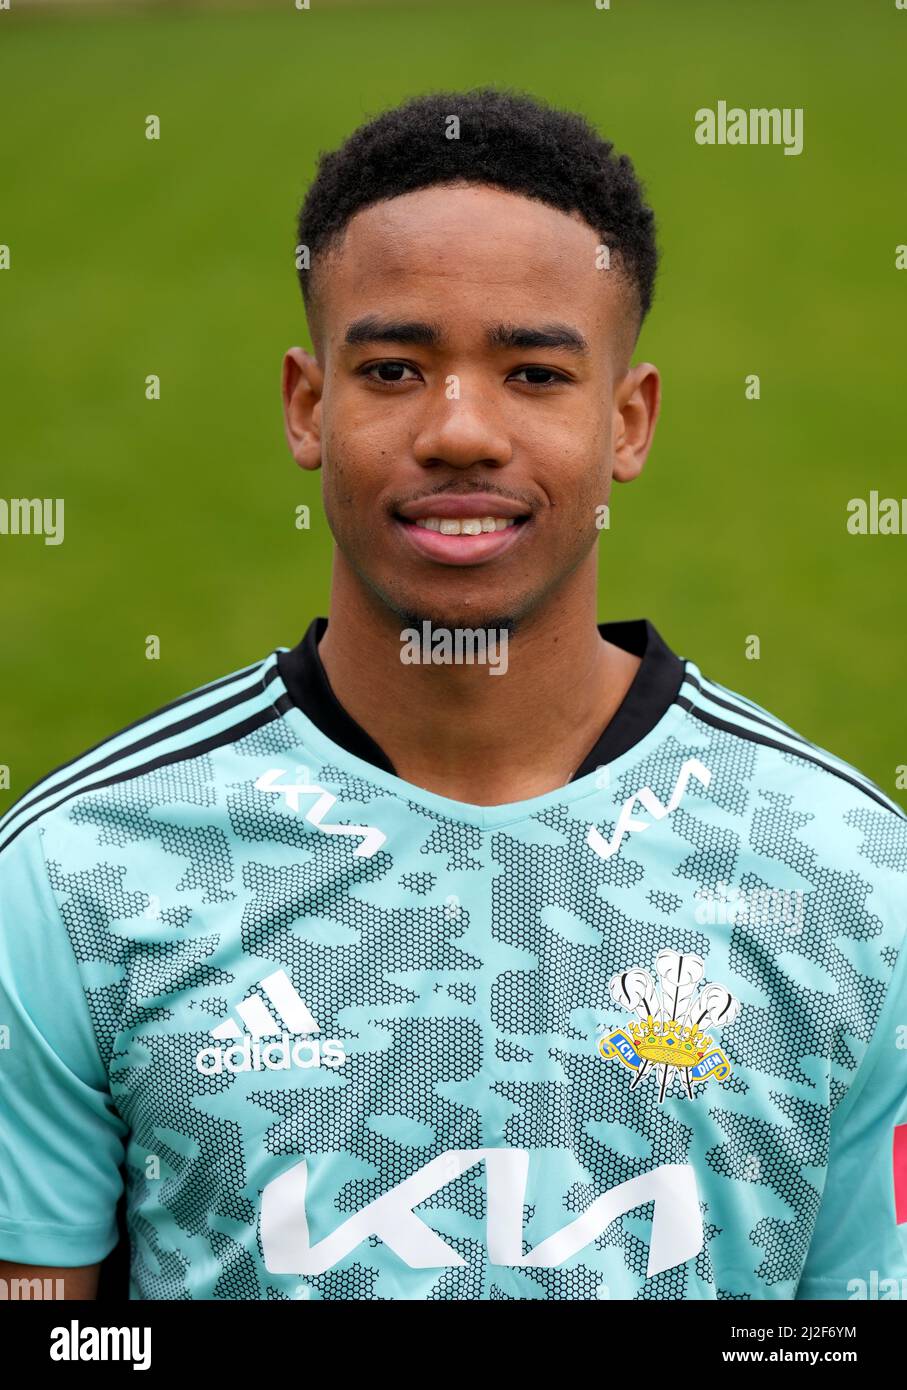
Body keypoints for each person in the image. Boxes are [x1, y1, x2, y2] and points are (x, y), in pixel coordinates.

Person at [0, 88, 904, 1302]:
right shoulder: (78, 876)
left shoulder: (848, 878)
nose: (461, 431)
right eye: (392, 366)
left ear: (626, 421)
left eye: (533, 371)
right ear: (307, 406)